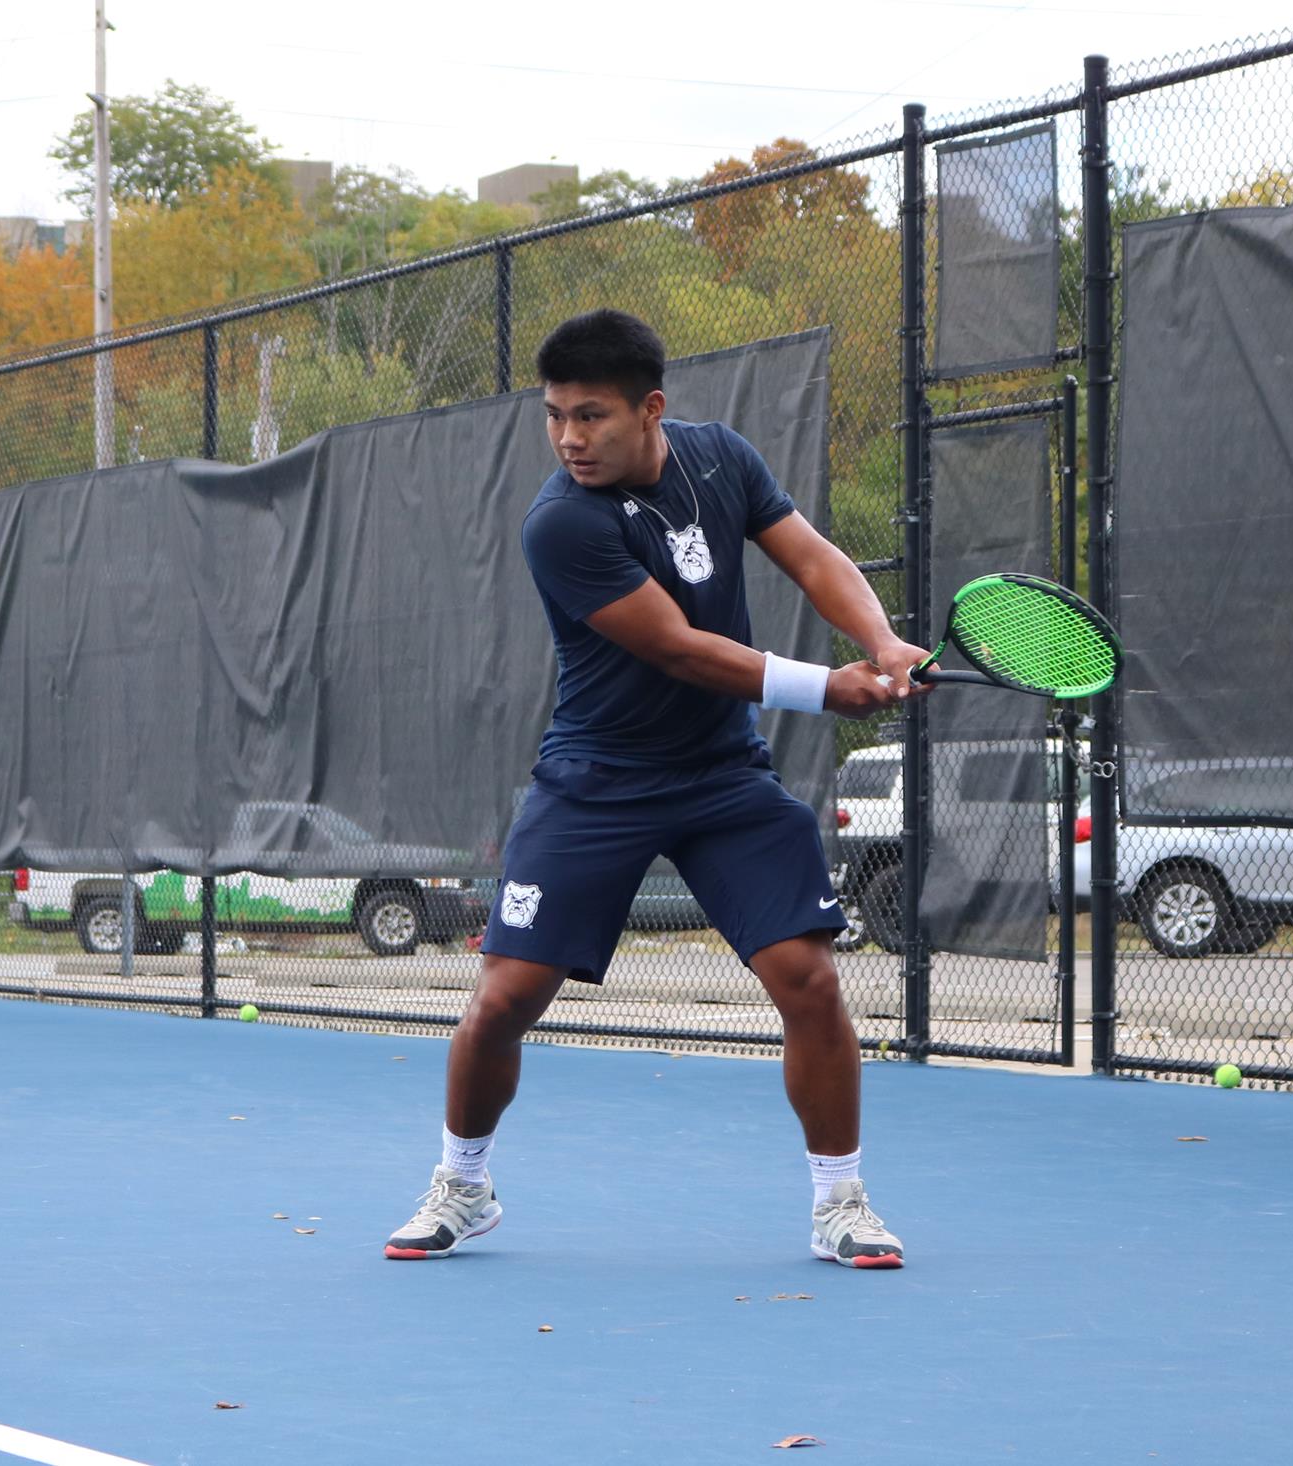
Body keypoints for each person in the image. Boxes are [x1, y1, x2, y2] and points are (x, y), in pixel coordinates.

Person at [385, 309, 932, 1268]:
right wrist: (828, 688)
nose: (569, 438)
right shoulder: (560, 523)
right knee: (505, 997)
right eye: (555, 416)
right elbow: (679, 649)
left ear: (652, 410)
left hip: (724, 779)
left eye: (590, 415)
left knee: (808, 978)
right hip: (595, 783)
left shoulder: (719, 459)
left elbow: (810, 556)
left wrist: (880, 642)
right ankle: (462, 1184)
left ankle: (839, 1201)